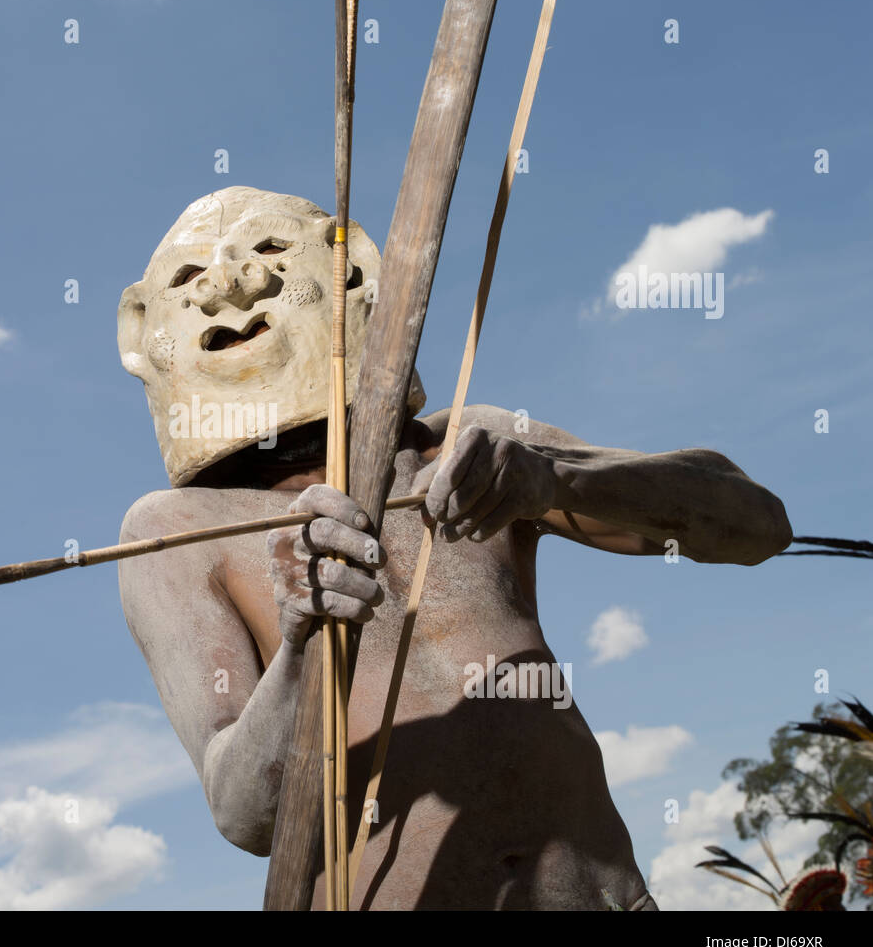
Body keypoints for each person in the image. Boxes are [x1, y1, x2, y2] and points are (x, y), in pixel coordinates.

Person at [116, 186, 792, 909]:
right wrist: (303, 641)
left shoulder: (468, 445)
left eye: (271, 252)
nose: (227, 285)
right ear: (140, 333)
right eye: (187, 281)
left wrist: (551, 478)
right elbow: (245, 811)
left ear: (354, 274)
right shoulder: (177, 529)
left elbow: (757, 523)